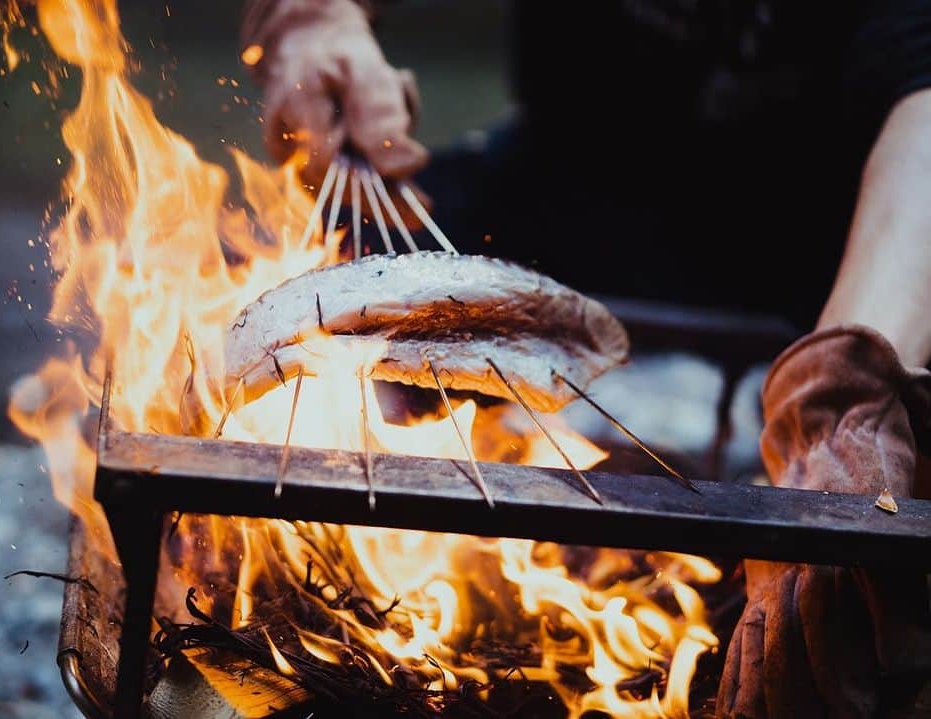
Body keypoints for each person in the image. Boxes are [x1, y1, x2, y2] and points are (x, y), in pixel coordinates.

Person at [239, 1, 931, 715]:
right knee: (337, 257)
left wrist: (842, 392)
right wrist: (314, 19)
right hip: (566, 194)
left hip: (830, 233)